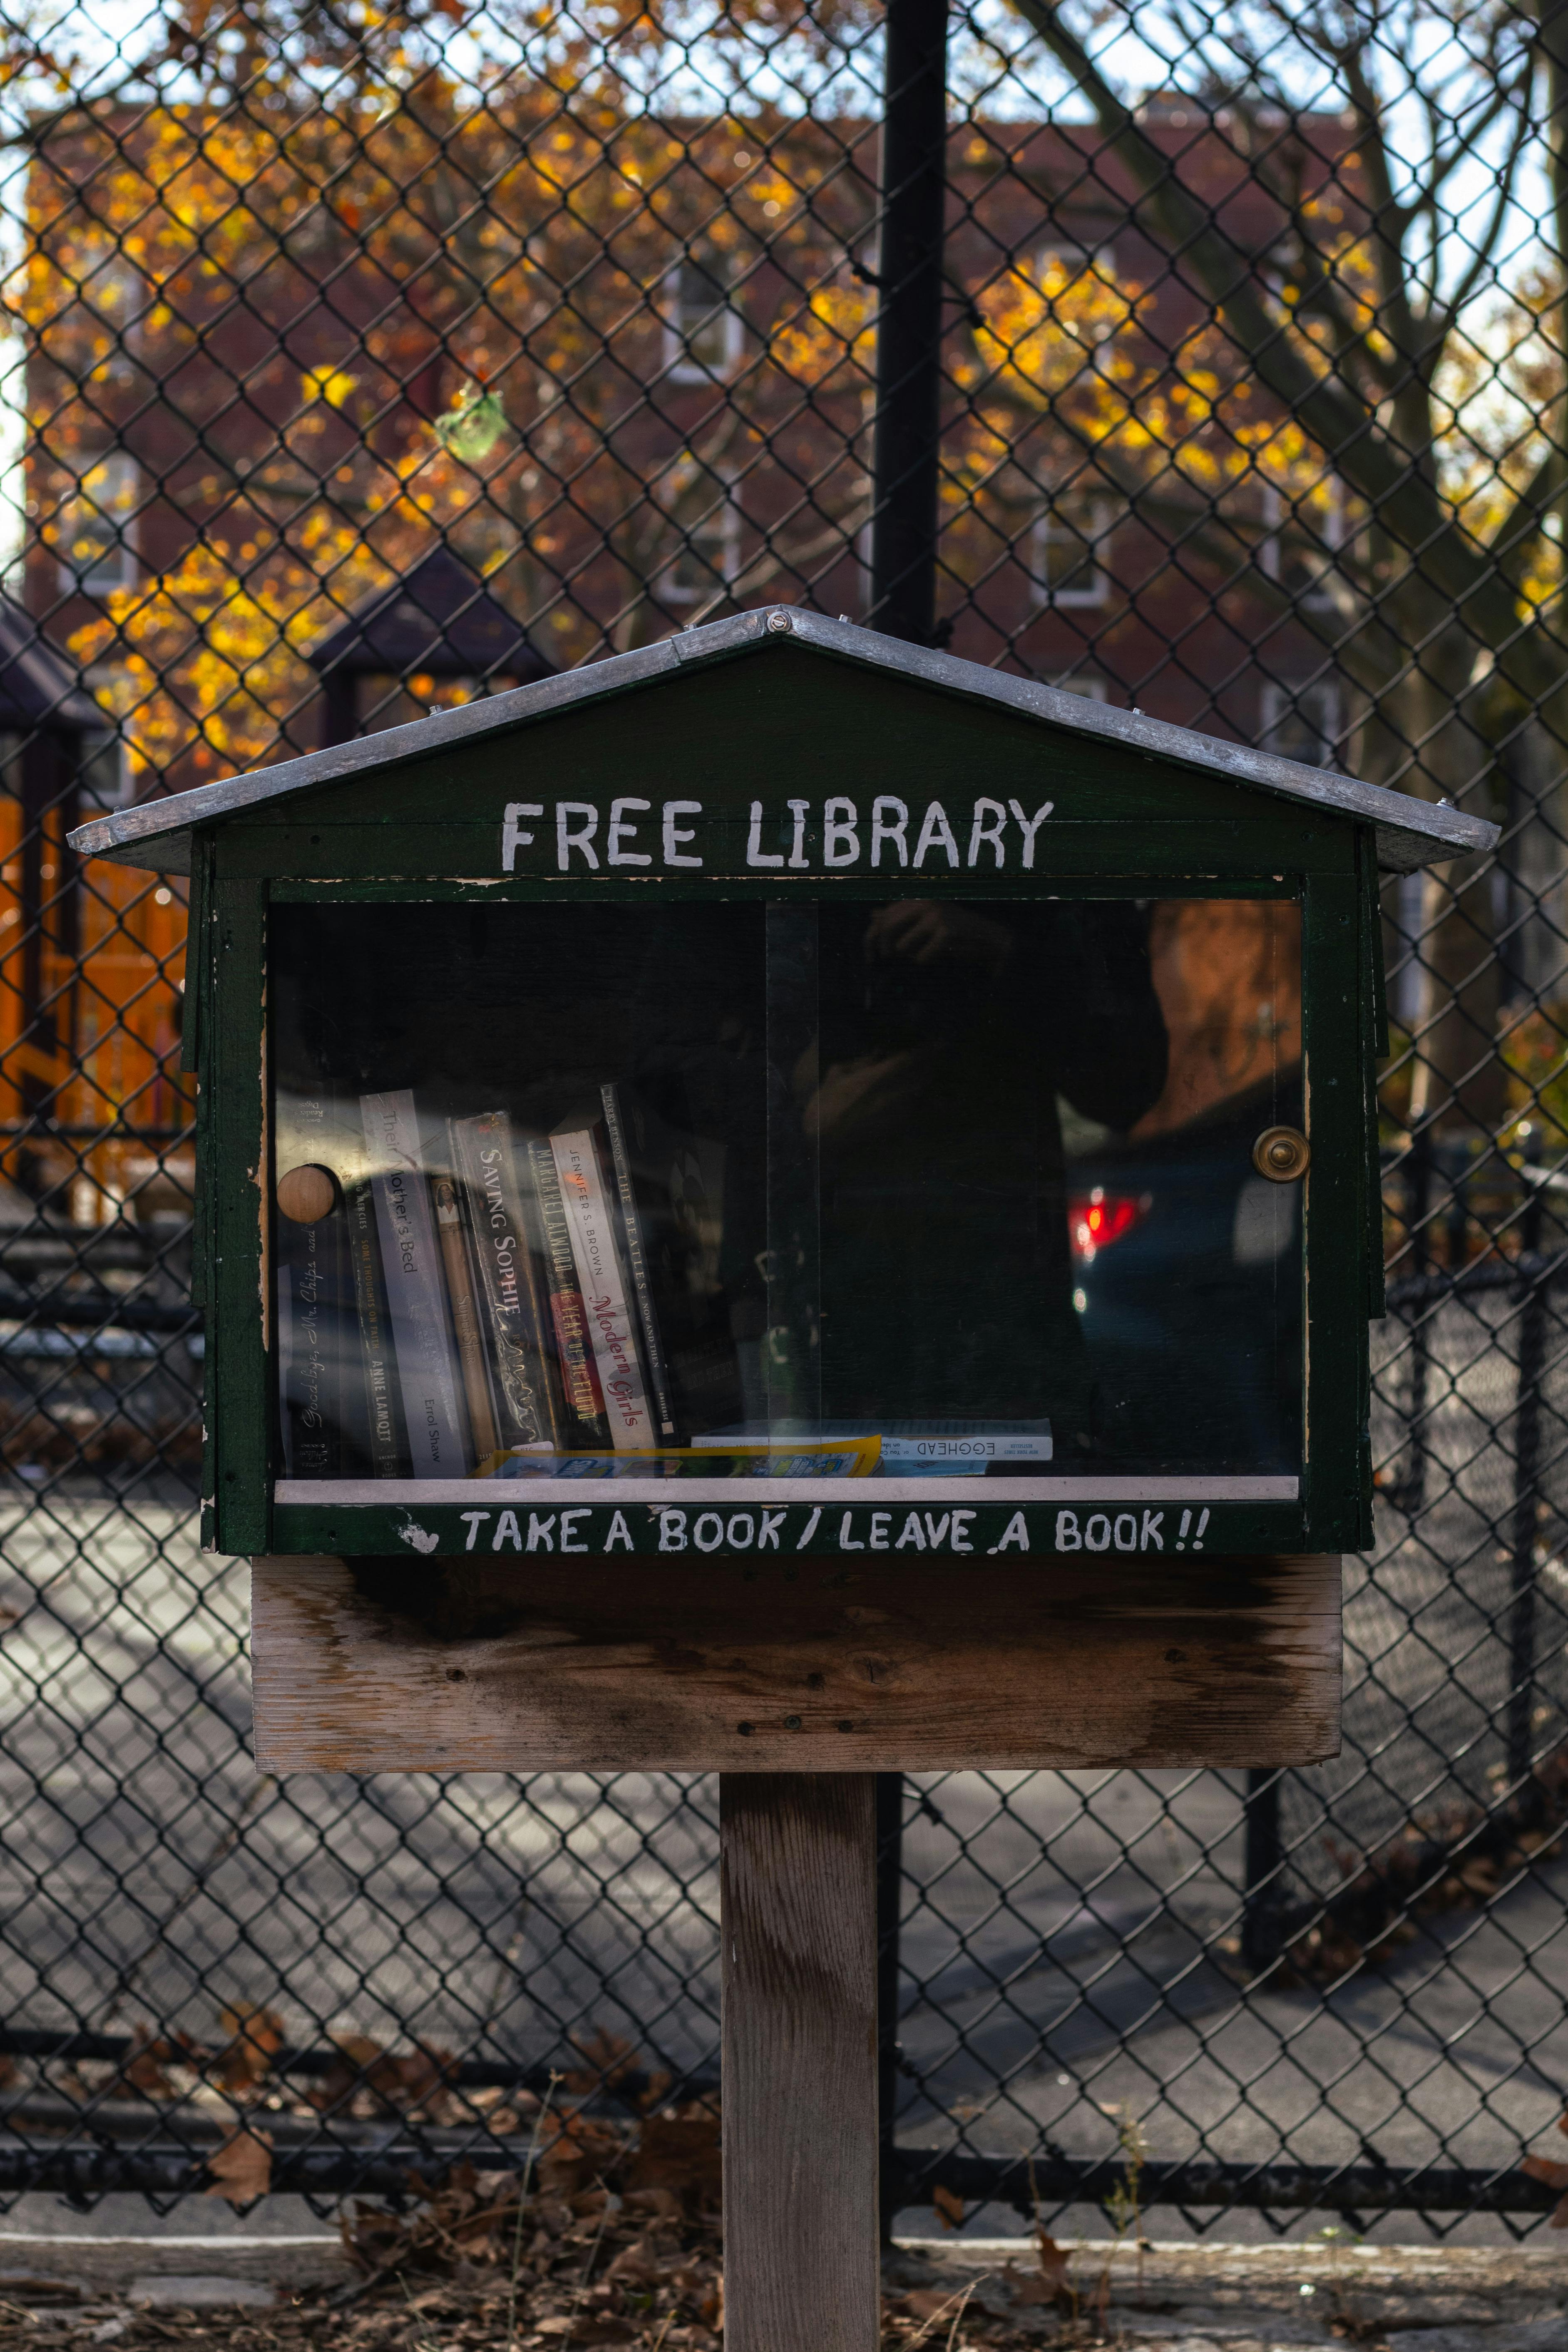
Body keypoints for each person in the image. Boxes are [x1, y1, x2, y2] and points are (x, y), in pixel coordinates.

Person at [793, 898, 1168, 1448]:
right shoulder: (814, 903)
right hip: (839, 1288)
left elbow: (1127, 1079)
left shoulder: (1053, 896)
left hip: (997, 1290)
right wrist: (801, 1109)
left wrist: (1004, 953)